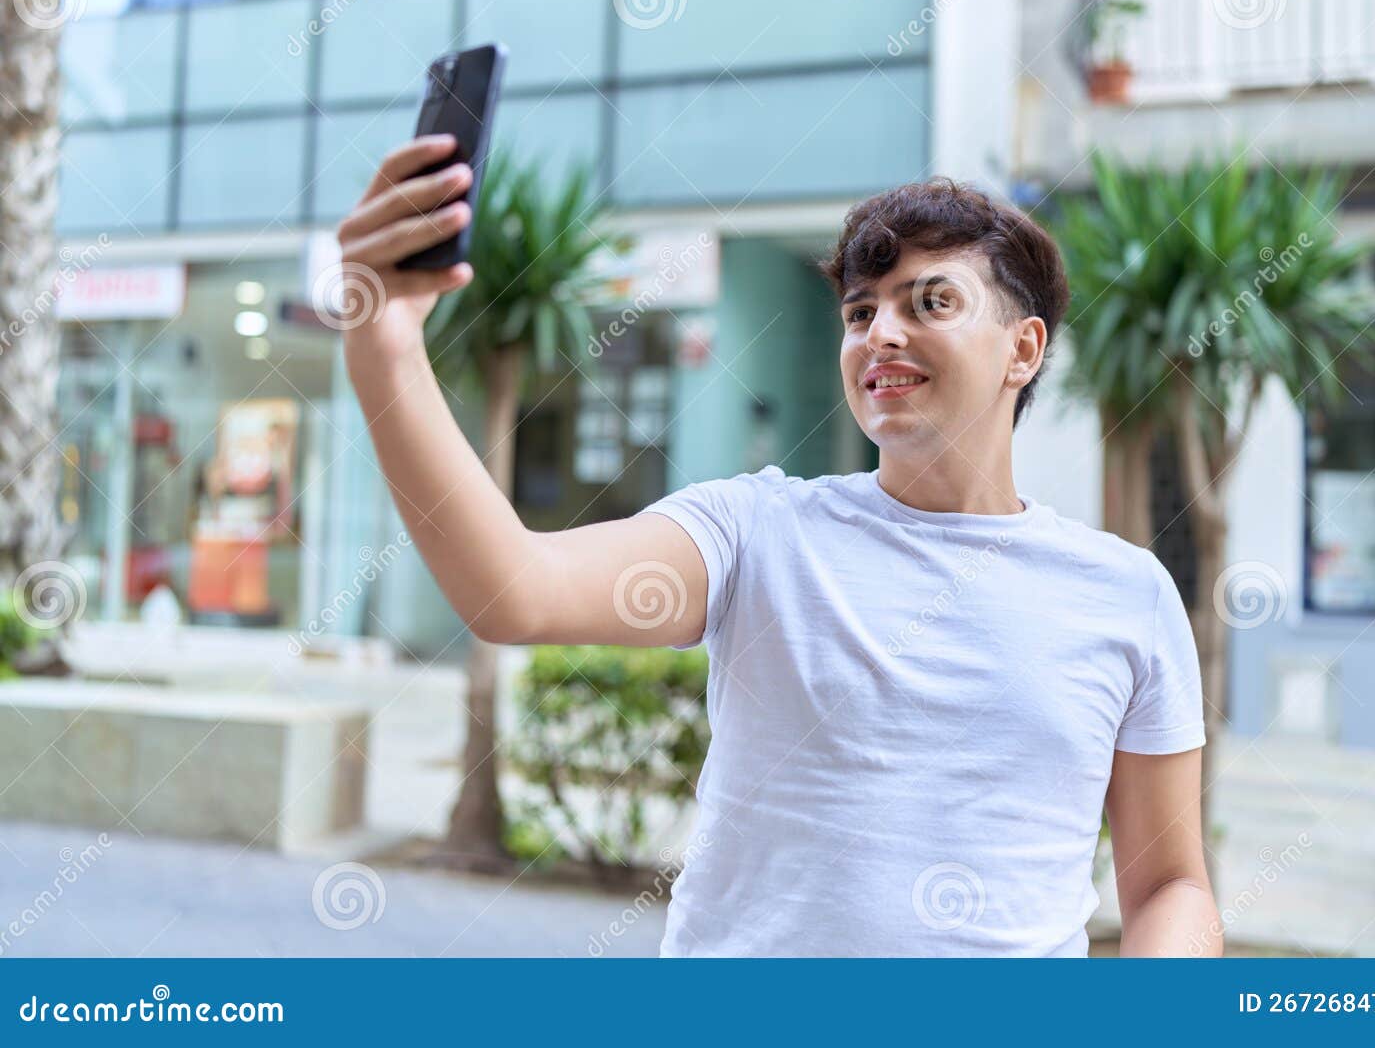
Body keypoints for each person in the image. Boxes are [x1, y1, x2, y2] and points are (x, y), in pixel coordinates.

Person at [336, 134, 1221, 957]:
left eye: (932, 301)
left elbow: (1170, 883)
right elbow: (512, 591)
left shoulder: (1123, 591)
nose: (880, 332)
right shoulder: (754, 531)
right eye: (860, 309)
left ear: (1022, 348)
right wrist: (385, 344)